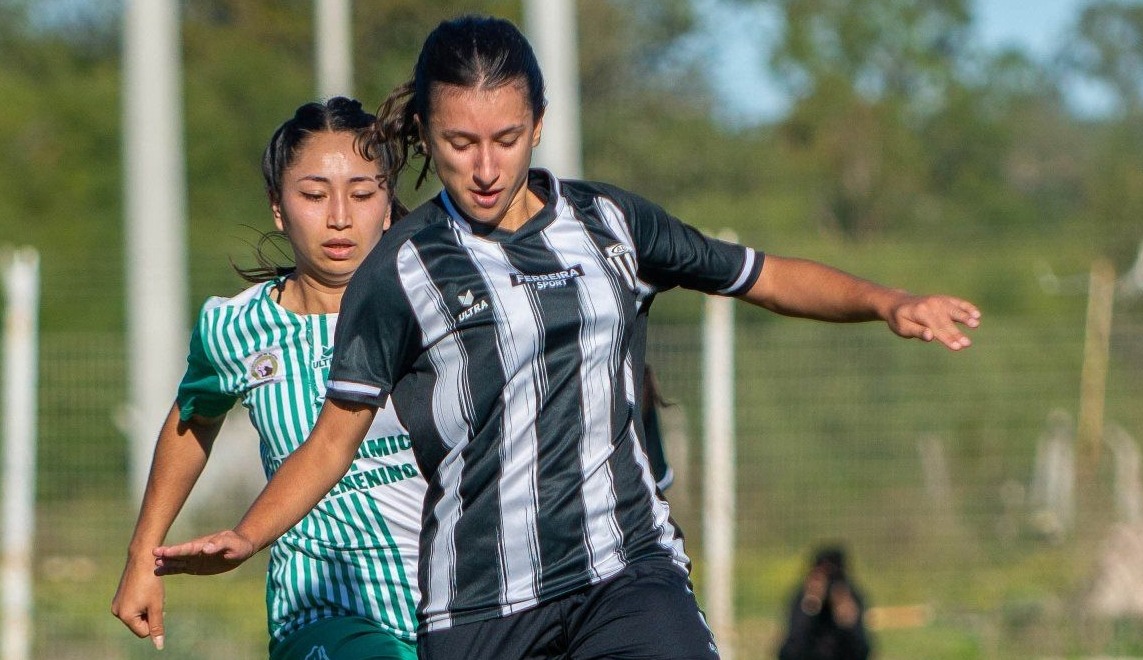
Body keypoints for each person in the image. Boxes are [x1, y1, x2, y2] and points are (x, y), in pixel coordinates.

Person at [153, 15, 980, 659]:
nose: (484, 167)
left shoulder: (609, 224)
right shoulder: (398, 272)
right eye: (459, 143)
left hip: (625, 566)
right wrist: (247, 535)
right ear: (429, 136)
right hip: (478, 599)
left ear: (538, 125)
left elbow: (756, 273)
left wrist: (886, 300)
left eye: (505, 140)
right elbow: (332, 441)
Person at [111, 97, 424, 660]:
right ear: (278, 207)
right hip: (324, 611)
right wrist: (142, 552)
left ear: (386, 204)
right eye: (312, 195)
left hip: (461, 601)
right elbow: (193, 419)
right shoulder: (235, 327)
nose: (339, 217)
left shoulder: (436, 307)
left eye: (361, 193)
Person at [778, 545, 872, 660]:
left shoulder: (850, 597)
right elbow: (789, 652)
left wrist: (848, 622)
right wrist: (810, 606)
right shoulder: (802, 598)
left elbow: (862, 652)